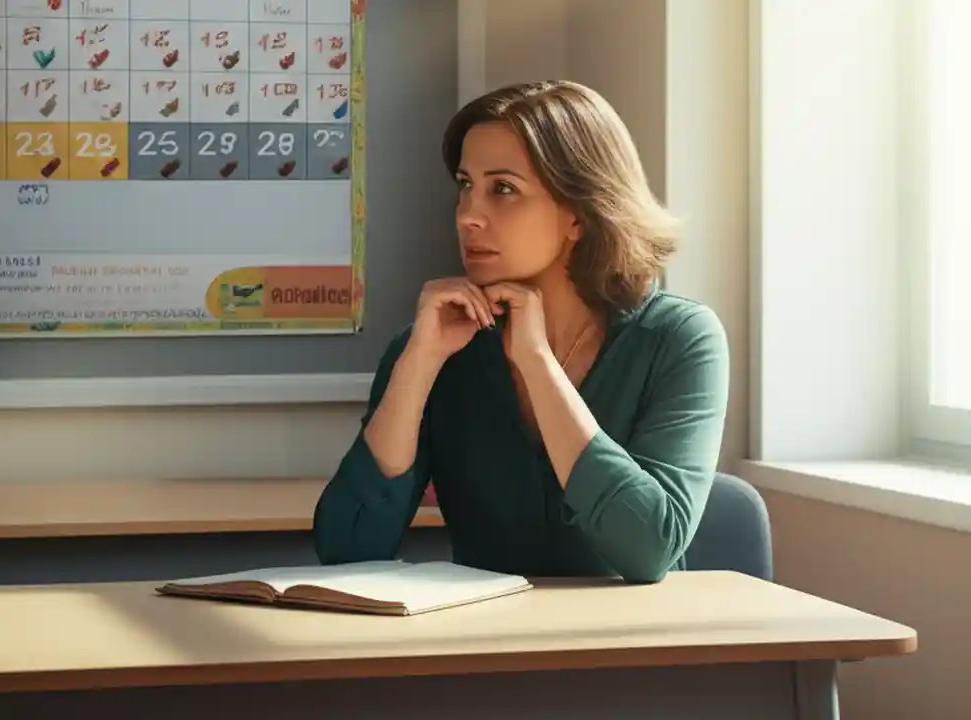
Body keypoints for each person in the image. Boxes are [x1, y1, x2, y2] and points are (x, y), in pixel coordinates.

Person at [312, 81, 730, 583]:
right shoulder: (431, 347)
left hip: (631, 649)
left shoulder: (680, 339)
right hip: (484, 650)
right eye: (466, 185)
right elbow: (346, 550)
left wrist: (537, 363)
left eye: (503, 189)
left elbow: (647, 550)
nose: (469, 215)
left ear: (578, 213)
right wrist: (418, 365)